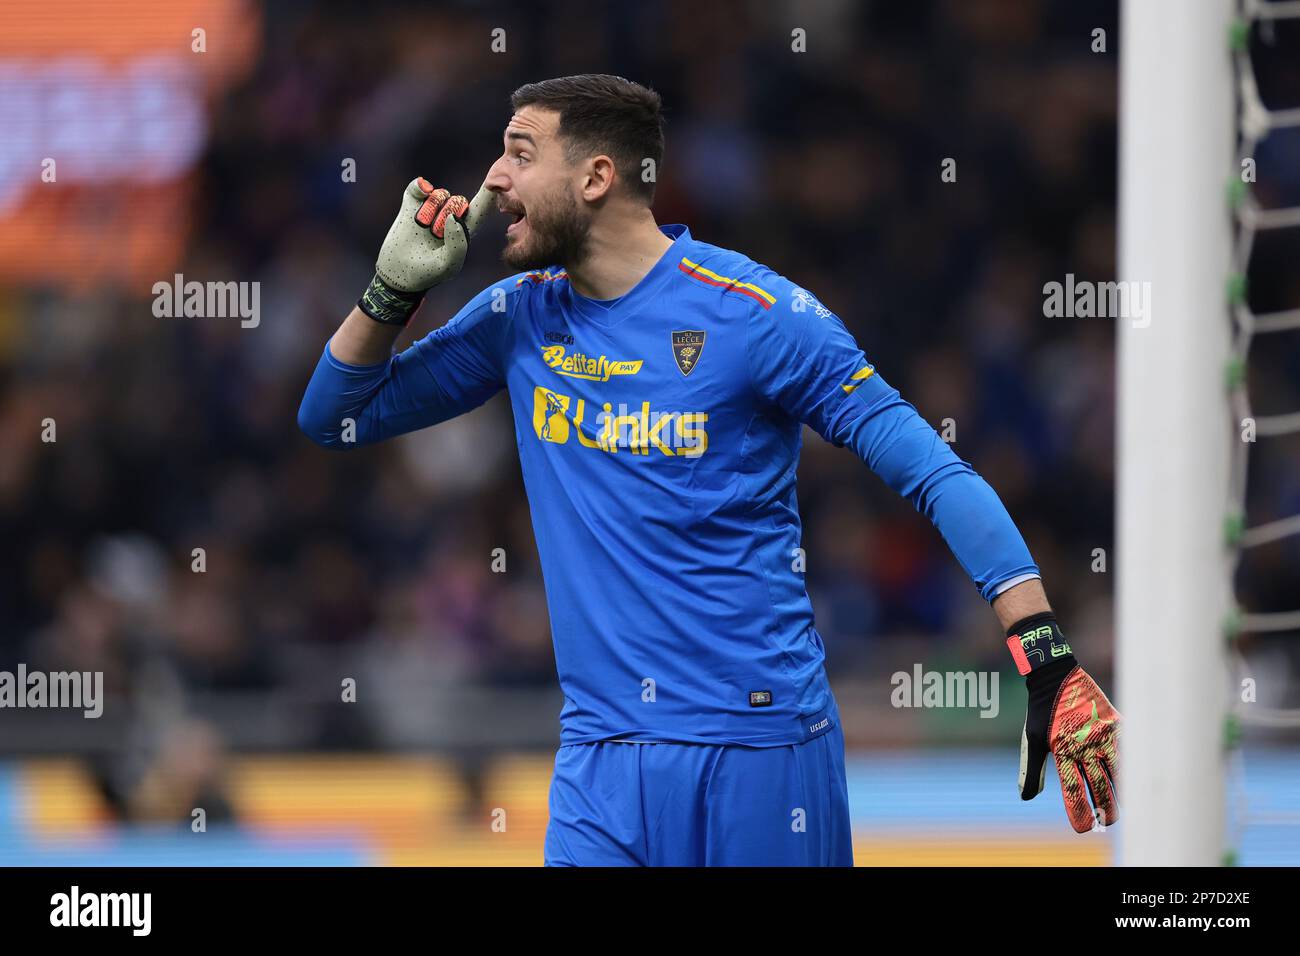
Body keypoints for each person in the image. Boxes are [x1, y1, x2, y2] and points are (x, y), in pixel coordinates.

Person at [298, 73, 1120, 866]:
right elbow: (335, 416)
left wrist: (1044, 653)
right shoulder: (519, 316)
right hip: (600, 761)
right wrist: (390, 294)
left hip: (759, 751)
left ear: (595, 176)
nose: (493, 178)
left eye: (519, 153)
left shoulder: (757, 317)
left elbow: (934, 474)